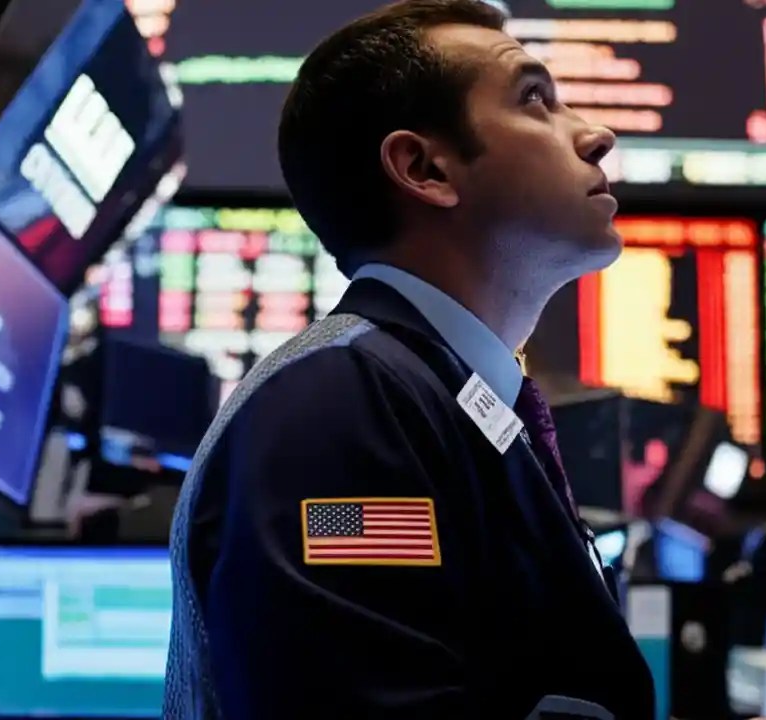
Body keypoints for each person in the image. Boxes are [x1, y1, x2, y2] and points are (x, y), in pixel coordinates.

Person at [165, 0, 655, 717]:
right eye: (536, 101)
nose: (596, 134)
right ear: (424, 168)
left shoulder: (443, 400)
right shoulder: (337, 404)